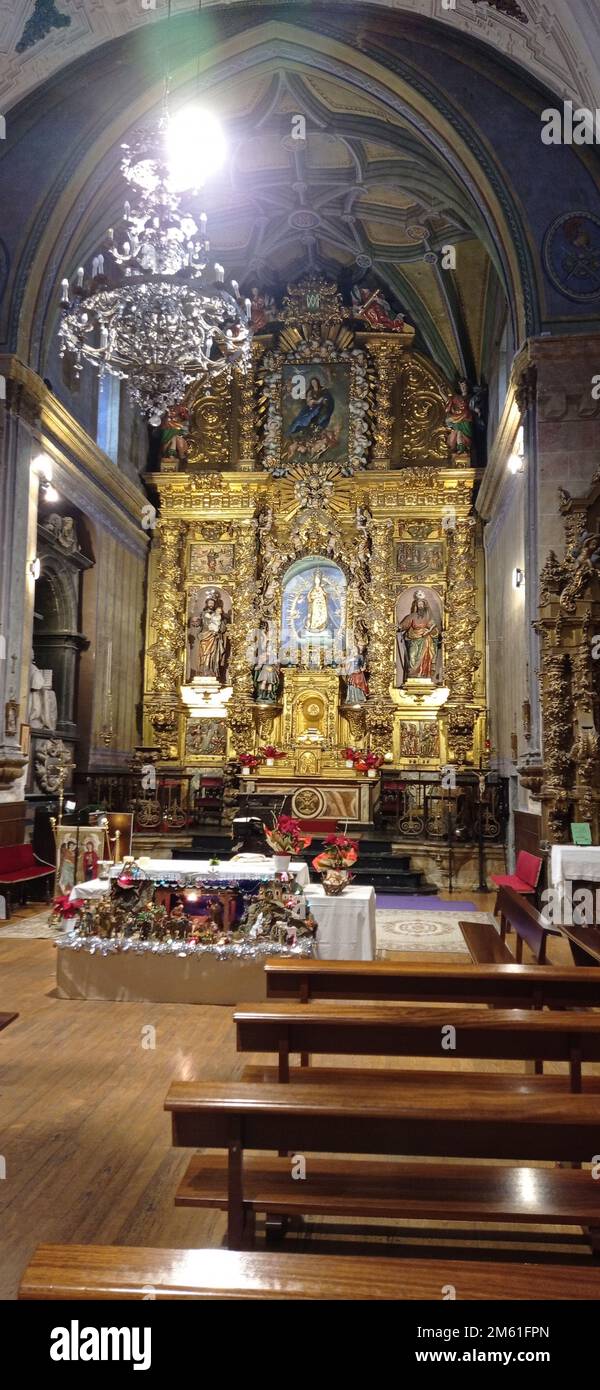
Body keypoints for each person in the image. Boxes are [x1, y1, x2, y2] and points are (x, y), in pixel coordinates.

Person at [397, 590, 441, 682]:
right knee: (412, 657)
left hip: (425, 640)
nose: (420, 606)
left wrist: (429, 631)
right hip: (413, 639)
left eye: (421, 604)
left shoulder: (428, 617)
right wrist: (399, 627)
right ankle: (413, 676)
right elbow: (404, 625)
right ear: (416, 606)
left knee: (425, 659)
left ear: (424, 605)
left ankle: (424, 675)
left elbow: (433, 628)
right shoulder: (412, 616)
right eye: (418, 604)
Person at [188, 591, 230, 683]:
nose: (211, 604)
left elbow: (222, 629)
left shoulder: (219, 615)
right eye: (209, 602)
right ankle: (203, 670)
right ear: (206, 604)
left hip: (214, 637)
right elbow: (197, 624)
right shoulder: (202, 614)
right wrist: (195, 621)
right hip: (204, 636)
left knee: (213, 655)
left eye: (212, 603)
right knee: (204, 654)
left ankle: (212, 671)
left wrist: (222, 621)